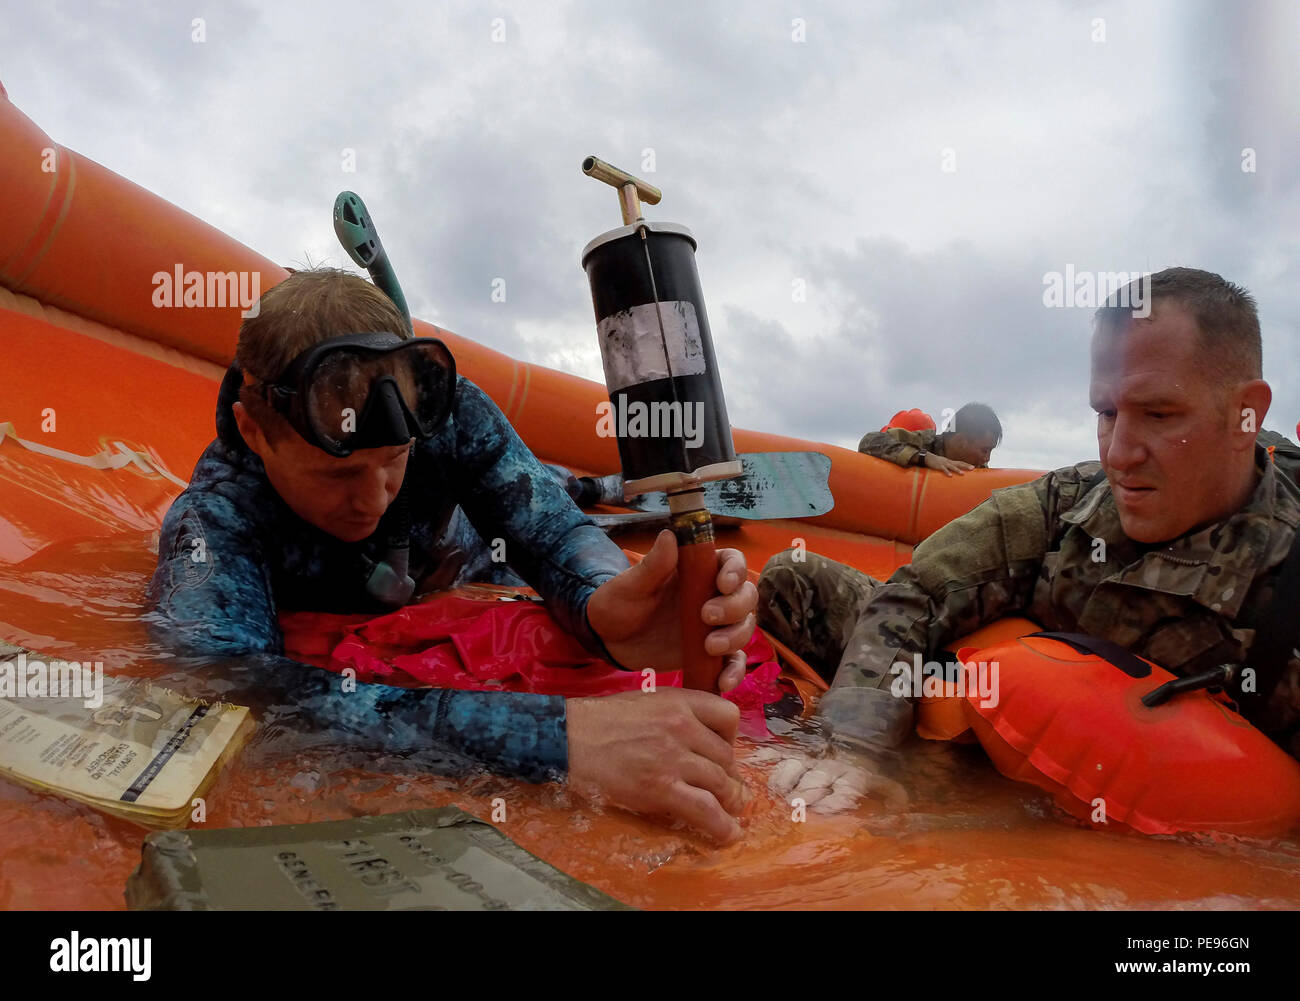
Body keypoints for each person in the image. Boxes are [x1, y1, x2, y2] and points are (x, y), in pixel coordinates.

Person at [147, 269, 758, 843]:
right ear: (254, 433)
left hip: (463, 551)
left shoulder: (451, 413)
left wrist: (603, 604)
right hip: (403, 574)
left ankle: (598, 486)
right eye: (338, 476)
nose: (373, 500)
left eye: (393, 462)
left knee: (551, 488)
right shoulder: (216, 515)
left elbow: (547, 531)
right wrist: (556, 741)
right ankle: (597, 485)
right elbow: (221, 684)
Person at [760, 268, 1300, 808]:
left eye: (1159, 413)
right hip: (981, 724)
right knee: (793, 576)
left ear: (1245, 414)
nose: (1119, 453)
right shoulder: (1066, 503)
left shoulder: (1286, 584)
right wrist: (854, 745)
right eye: (1107, 413)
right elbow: (918, 590)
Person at [858, 402, 1002, 476]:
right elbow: (869, 442)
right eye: (984, 450)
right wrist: (925, 458)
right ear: (960, 441)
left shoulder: (979, 470)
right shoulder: (924, 441)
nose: (987, 458)